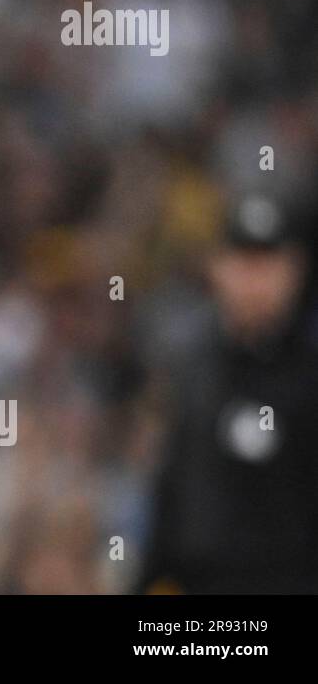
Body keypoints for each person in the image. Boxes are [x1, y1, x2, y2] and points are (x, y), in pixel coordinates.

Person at [139, 194, 318, 593]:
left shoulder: (310, 376)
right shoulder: (192, 367)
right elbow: (171, 492)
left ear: (296, 270)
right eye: (243, 261)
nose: (254, 279)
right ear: (216, 267)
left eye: (268, 263)